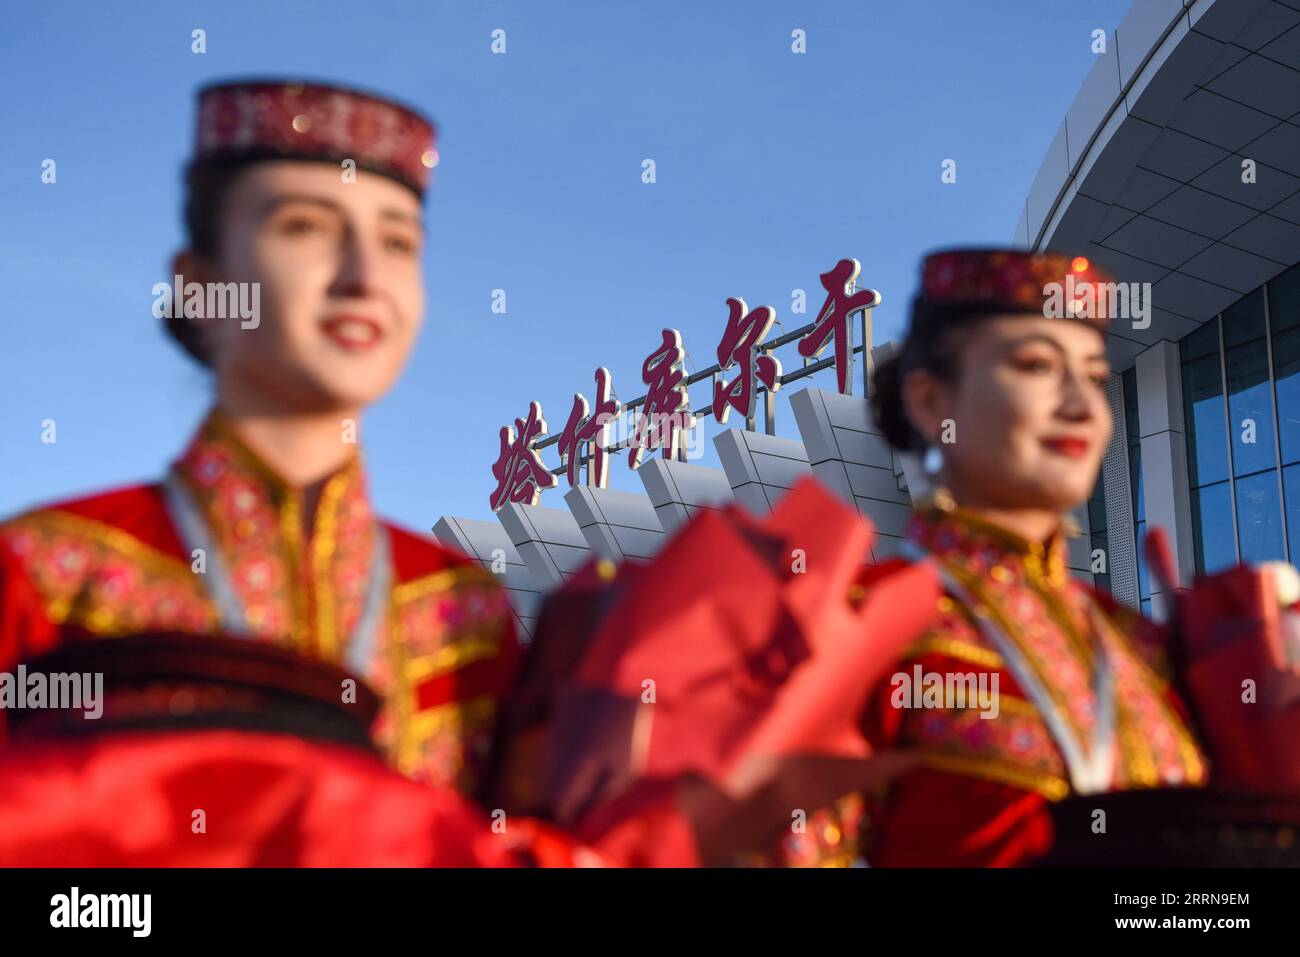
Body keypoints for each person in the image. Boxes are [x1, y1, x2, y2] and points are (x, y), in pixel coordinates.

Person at [0, 79, 519, 798]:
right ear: (200, 284)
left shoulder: (470, 612)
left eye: (398, 242)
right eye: (306, 226)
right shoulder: (46, 573)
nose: (365, 278)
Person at [854, 248, 1207, 865]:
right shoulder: (856, 624)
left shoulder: (1141, 646)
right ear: (931, 400)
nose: (1080, 404)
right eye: (1037, 364)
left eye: (1095, 377)